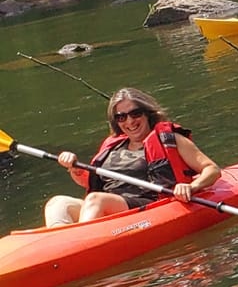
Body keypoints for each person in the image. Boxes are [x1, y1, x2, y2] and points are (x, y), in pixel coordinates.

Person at [43, 87, 221, 227]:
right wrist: (74, 168)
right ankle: (57, 249)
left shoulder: (169, 139)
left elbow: (212, 169)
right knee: (58, 203)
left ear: (147, 113)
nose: (129, 121)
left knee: (95, 199)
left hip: (147, 205)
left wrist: (191, 186)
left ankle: (78, 247)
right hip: (105, 206)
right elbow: (88, 182)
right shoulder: (112, 145)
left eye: (135, 113)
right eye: (121, 117)